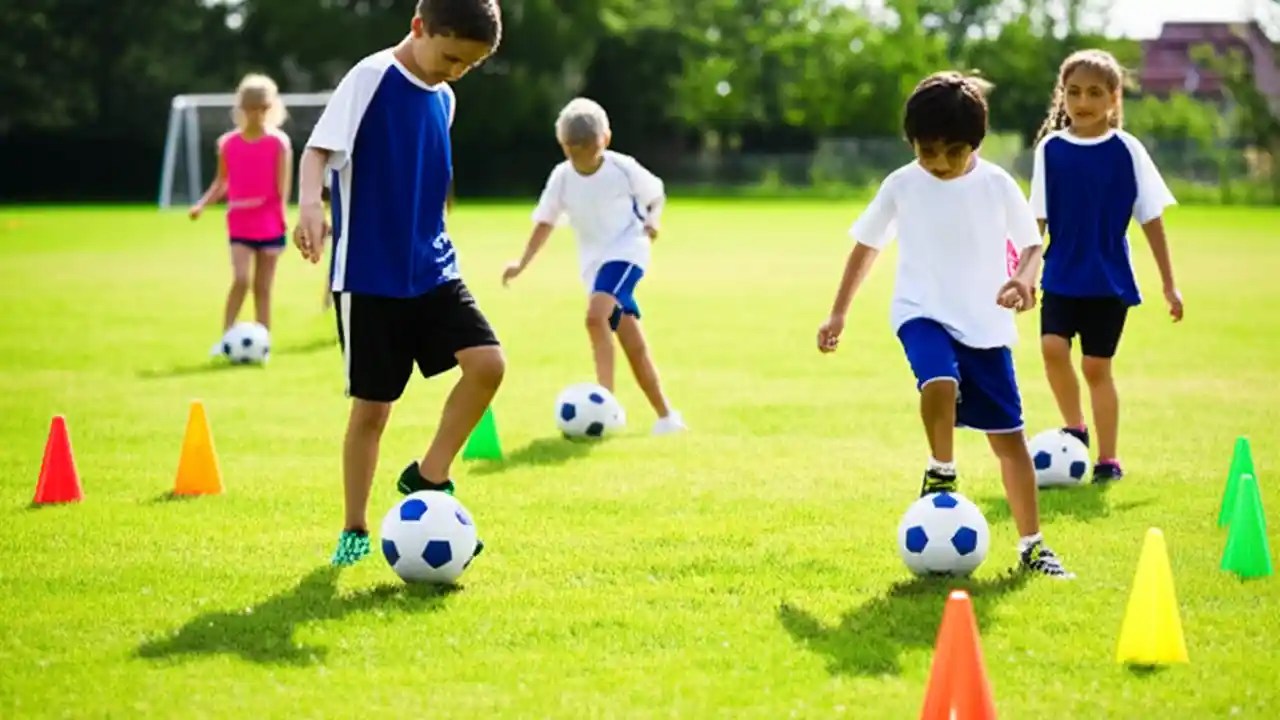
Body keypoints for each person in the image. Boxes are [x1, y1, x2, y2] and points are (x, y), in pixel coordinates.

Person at [817, 71, 1074, 578]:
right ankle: (942, 470)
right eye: (925, 150)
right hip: (921, 311)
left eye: (950, 152)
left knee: (1010, 443)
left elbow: (1031, 245)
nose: (937, 163)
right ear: (911, 143)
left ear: (973, 143)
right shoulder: (902, 184)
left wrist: (1024, 282)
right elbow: (866, 247)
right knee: (938, 378)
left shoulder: (998, 184)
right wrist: (839, 311)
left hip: (986, 325)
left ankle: (1032, 546)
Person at [293, 0, 505, 567]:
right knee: (373, 411)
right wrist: (310, 207)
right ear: (418, 27)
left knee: (488, 365)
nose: (456, 71)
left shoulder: (446, 96)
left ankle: (428, 475)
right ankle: (355, 528)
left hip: (433, 268)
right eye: (451, 56)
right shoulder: (371, 77)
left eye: (469, 64)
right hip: (370, 276)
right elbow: (316, 152)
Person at [1030, 49, 1184, 483]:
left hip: (1108, 280)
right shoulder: (1051, 150)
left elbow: (1151, 219)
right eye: (1074, 92)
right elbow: (1036, 220)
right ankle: (1075, 428)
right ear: (1063, 96)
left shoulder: (1127, 151)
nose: (1083, 101)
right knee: (1052, 349)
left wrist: (1169, 285)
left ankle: (1109, 458)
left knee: (1097, 368)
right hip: (1060, 273)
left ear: (1114, 98)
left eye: (1095, 92)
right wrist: (1022, 274)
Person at [501, 97, 686, 435]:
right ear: (563, 146)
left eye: (586, 146)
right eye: (571, 149)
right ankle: (667, 416)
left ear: (605, 140)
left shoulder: (622, 168)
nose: (579, 154)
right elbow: (545, 221)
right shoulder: (562, 178)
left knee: (594, 316)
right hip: (594, 266)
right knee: (632, 340)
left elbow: (655, 194)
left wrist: (654, 222)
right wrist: (521, 263)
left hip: (629, 251)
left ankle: (606, 406)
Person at [189, 73, 292, 353]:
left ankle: (263, 343)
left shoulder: (278, 143)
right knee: (242, 279)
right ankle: (225, 339)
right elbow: (221, 182)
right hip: (240, 223)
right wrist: (202, 204)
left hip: (270, 224)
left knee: (263, 287)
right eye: (250, 108)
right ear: (241, 109)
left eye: (262, 109)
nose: (256, 115)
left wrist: (281, 222)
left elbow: (282, 190)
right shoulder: (228, 144)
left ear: (270, 109)